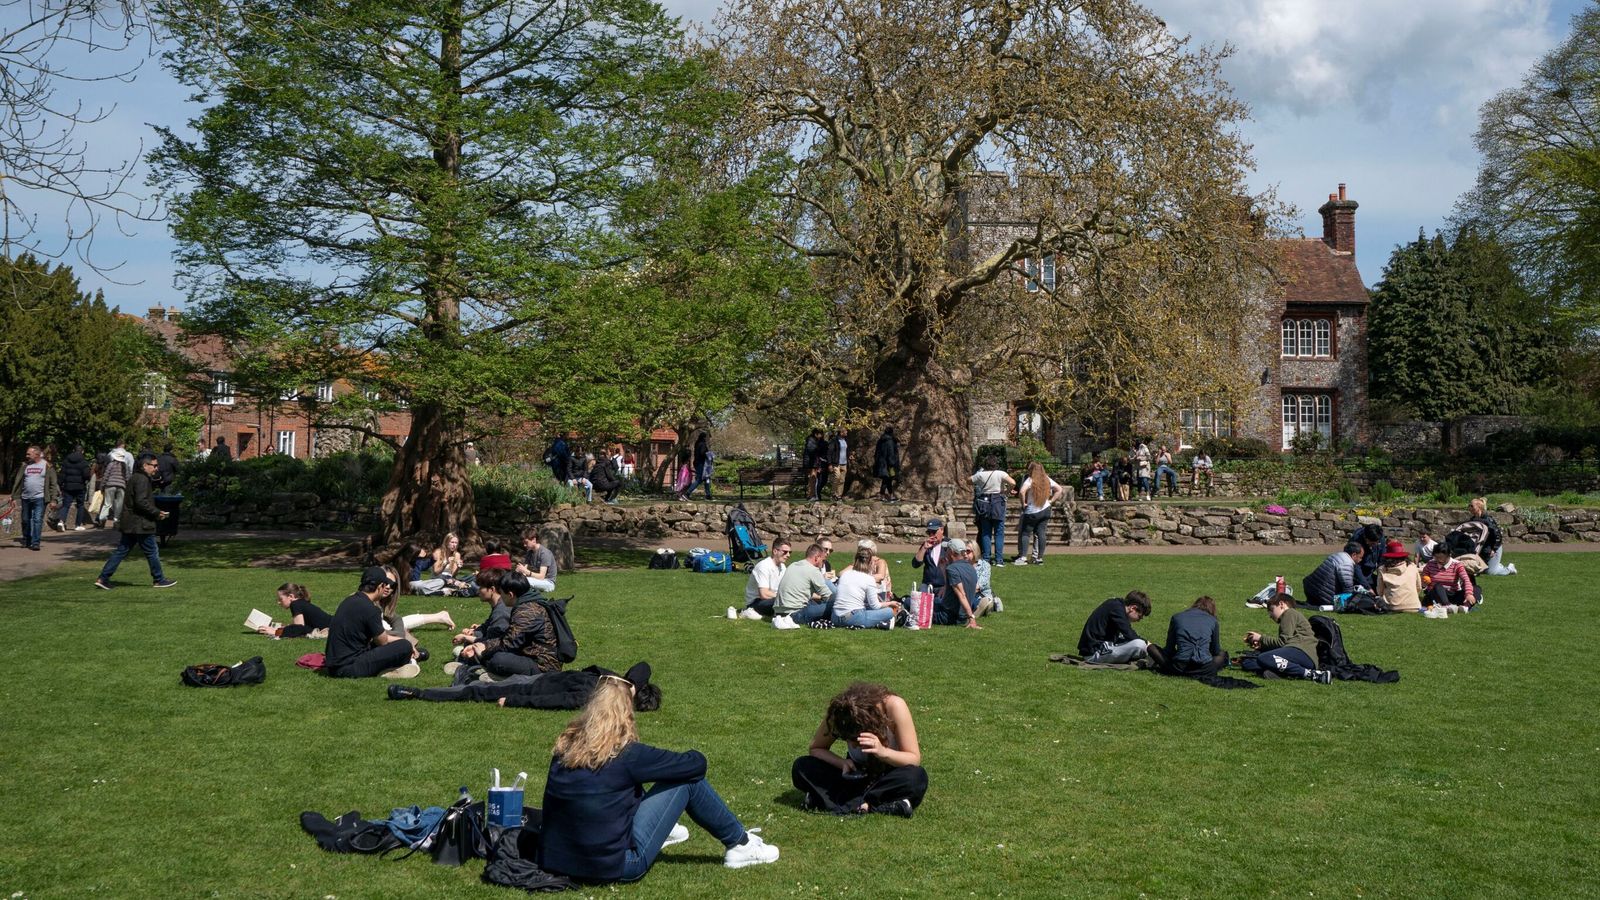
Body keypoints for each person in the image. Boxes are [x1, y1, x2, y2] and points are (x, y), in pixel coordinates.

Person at [538, 675, 780, 883]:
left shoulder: (564, 750)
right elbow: (696, 765)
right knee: (688, 781)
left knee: (613, 788)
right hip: (616, 866)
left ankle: (669, 830)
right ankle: (741, 844)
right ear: (626, 715)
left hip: (555, 860)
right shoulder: (627, 755)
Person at [792, 682, 927, 817]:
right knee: (802, 766)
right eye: (848, 740)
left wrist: (883, 753)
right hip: (855, 776)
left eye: (857, 739)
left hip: (888, 776)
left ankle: (832, 801)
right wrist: (842, 763)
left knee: (916, 777)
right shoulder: (839, 713)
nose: (855, 745)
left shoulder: (894, 706)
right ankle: (877, 805)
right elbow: (816, 748)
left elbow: (913, 759)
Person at [388, 660, 662, 710]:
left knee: (475, 692)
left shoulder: (592, 697)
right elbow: (643, 666)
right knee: (483, 684)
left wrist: (514, 701)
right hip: (539, 677)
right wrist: (630, 686)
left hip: (528, 690)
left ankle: (417, 693)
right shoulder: (613, 682)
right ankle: (469, 673)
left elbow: (550, 702)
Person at [92, 453, 177, 589]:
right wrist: (156, 513)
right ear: (145, 465)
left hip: (131, 523)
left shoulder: (136, 478)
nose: (156, 468)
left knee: (121, 551)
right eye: (154, 466)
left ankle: (103, 578)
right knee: (151, 551)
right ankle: (159, 579)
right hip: (140, 523)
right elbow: (141, 502)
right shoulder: (142, 479)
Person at [460, 572, 563, 676]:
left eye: (501, 593)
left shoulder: (526, 612)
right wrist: (484, 645)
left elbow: (509, 643)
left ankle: (481, 665)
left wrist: (484, 649)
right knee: (494, 654)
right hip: (529, 654)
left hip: (543, 666)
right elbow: (510, 638)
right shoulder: (529, 603)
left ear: (510, 595)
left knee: (498, 660)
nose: (500, 597)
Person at [323, 566, 419, 678]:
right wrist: (405, 642)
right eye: (385, 585)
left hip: (333, 666)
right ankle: (393, 669)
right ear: (380, 587)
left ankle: (404, 661)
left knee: (414, 650)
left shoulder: (349, 600)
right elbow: (382, 641)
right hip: (349, 667)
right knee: (404, 646)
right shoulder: (371, 609)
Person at [1241, 592, 1331, 683]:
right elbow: (1283, 644)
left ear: (1281, 604)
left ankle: (1311, 674)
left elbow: (1282, 642)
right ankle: (1284, 673)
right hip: (1299, 655)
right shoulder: (1289, 616)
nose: (1270, 615)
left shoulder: (1289, 613)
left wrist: (1261, 638)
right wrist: (1261, 646)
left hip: (1303, 653)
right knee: (1248, 663)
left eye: (1271, 610)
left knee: (1263, 658)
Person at [1145, 596, 1228, 677]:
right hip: (1204, 669)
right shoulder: (1213, 621)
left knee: (1151, 647)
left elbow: (1169, 649)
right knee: (1222, 654)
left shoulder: (1177, 617)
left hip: (1178, 668)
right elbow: (1216, 651)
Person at [452, 567, 515, 655]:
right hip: (497, 645)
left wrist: (465, 638)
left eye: (481, 587)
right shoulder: (498, 605)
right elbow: (488, 625)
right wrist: (474, 632)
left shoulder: (501, 611)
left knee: (468, 650)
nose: (478, 590)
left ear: (492, 590)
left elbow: (491, 642)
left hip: (502, 652)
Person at [831, 547, 898, 629]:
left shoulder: (845, 574)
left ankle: (877, 622)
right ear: (870, 563)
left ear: (855, 560)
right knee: (889, 611)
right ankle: (882, 623)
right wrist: (890, 603)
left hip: (834, 617)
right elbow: (875, 606)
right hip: (852, 618)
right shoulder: (869, 579)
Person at [1014, 461, 1065, 566]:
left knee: (1025, 533)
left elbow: (1022, 492)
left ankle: (1023, 557)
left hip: (1032, 510)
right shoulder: (1047, 479)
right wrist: (1051, 501)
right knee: (1041, 533)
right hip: (1045, 510)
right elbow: (1059, 489)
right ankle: (1039, 558)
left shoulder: (1030, 480)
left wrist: (1023, 503)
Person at [772, 542, 833, 629]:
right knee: (833, 606)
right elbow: (828, 596)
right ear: (817, 558)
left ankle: (782, 619)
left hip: (778, 611)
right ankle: (789, 619)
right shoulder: (813, 570)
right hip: (796, 613)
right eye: (823, 560)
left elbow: (800, 591)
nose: (823, 563)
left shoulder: (793, 565)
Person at [969, 455, 1016, 568]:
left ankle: (986, 558)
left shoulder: (981, 474)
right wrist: (1006, 491)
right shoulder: (1001, 473)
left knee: (986, 532)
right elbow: (1013, 482)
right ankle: (999, 559)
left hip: (984, 502)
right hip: (997, 502)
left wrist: (979, 483)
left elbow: (968, 480)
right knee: (999, 532)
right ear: (996, 464)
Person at [1077, 591, 1149, 663]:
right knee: (1140, 645)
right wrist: (1148, 644)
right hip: (1094, 654)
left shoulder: (1116, 605)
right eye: (1139, 616)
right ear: (1133, 608)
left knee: (1133, 642)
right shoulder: (1116, 609)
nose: (1139, 620)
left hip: (1098, 648)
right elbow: (1129, 634)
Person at [10, 445, 59, 551]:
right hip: (25, 497)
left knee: (37, 520)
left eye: (29, 454)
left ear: (36, 454)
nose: (26, 455)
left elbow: (53, 484)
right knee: (25, 520)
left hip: (40, 498)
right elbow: (18, 482)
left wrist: (53, 499)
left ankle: (35, 542)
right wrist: (13, 497)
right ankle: (27, 540)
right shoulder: (25, 466)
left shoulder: (47, 466)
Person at [932, 538, 981, 628]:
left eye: (946, 550)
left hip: (949, 616)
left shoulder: (952, 569)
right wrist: (943, 568)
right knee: (934, 600)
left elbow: (962, 594)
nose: (945, 552)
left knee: (911, 602)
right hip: (961, 615)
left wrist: (971, 618)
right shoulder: (971, 568)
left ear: (951, 552)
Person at [736, 537, 790, 620]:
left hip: (774, 598)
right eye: (785, 552)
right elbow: (764, 594)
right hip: (756, 602)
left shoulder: (783, 567)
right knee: (784, 603)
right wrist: (783, 597)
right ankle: (749, 611)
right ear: (775, 551)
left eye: (790, 552)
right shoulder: (764, 566)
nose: (788, 555)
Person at [257, 583, 334, 638]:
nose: (278, 602)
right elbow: (303, 627)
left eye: (281, 599)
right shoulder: (300, 603)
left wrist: (276, 632)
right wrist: (286, 628)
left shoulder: (295, 604)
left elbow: (299, 628)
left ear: (290, 596)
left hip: (335, 627)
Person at [1420, 543, 1476, 618]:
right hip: (1435, 594)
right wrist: (1424, 583)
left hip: (1452, 594)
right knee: (1438, 586)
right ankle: (1448, 606)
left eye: (1442, 557)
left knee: (1476, 589)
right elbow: (1423, 579)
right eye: (1437, 557)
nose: (1439, 560)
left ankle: (1465, 607)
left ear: (1449, 555)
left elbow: (1466, 580)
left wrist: (1469, 594)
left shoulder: (1457, 565)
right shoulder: (1430, 564)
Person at [1465, 496, 1516, 575]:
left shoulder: (1488, 520)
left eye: (1472, 506)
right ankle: (1496, 565)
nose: (1469, 507)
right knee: (1481, 570)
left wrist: (1494, 549)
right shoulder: (1472, 520)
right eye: (1469, 505)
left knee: (1491, 572)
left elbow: (1498, 537)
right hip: (1482, 549)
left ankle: (1509, 569)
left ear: (1479, 507)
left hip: (1494, 548)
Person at [1301, 542, 1363, 607]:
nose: (1361, 560)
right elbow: (1347, 587)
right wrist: (1347, 604)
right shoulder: (1346, 563)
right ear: (1354, 555)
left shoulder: (1338, 555)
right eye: (1360, 557)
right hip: (1322, 595)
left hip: (1310, 588)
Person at [1373, 539, 1423, 613]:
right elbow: (1418, 586)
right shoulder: (1412, 566)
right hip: (1413, 605)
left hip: (1392, 606)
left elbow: (1380, 591)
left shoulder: (1382, 569)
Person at [97, 439, 134, 527]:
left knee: (107, 503)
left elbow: (106, 475)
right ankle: (116, 520)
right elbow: (127, 477)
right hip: (121, 486)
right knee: (119, 504)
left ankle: (102, 518)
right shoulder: (124, 466)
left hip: (110, 485)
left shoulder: (111, 465)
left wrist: (102, 486)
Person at [57, 446, 92, 531]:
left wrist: (60, 484)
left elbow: (62, 474)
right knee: (80, 505)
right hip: (80, 486)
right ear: (82, 451)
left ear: (73, 450)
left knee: (66, 505)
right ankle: (77, 525)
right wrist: (86, 480)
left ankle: (61, 522)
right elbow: (86, 475)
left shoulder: (66, 461)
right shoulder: (84, 462)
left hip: (68, 486)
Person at [910, 518, 947, 595]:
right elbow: (915, 564)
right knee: (920, 603)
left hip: (944, 585)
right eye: (929, 532)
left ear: (942, 530)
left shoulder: (949, 545)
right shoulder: (926, 545)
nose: (931, 535)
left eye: (934, 532)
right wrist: (924, 548)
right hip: (927, 585)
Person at [517, 527, 558, 594]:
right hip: (536, 580)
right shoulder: (529, 552)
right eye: (523, 543)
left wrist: (527, 572)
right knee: (517, 579)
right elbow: (524, 570)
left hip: (548, 582)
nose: (524, 545)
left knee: (525, 581)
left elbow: (541, 576)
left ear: (534, 540)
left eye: (526, 542)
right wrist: (519, 571)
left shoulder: (544, 553)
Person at [857, 538, 893, 604]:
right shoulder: (861, 562)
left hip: (882, 595)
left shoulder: (880, 562)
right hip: (867, 593)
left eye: (862, 549)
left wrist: (858, 578)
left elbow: (880, 576)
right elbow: (840, 573)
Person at [1349, 523, 1385, 588]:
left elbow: (1382, 559)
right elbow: (1356, 566)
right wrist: (1367, 587)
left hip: (1370, 572)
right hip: (1356, 574)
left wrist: (1382, 579)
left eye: (1377, 543)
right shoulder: (1355, 541)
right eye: (1372, 543)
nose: (1375, 545)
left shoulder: (1379, 536)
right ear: (1366, 538)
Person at [684, 433, 714, 501]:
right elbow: (702, 453)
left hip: (699, 463)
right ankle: (687, 493)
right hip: (701, 463)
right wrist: (709, 455)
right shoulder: (702, 444)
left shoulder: (697, 443)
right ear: (704, 438)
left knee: (706, 478)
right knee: (700, 479)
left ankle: (708, 495)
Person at [873, 427, 900, 501]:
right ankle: (882, 495)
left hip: (881, 462)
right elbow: (891, 453)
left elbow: (876, 452)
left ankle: (890, 495)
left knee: (888, 479)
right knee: (887, 479)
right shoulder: (890, 441)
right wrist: (893, 463)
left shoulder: (880, 440)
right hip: (888, 464)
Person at [802, 427, 827, 501]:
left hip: (814, 462)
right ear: (816, 434)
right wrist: (818, 449)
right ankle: (811, 495)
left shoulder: (815, 440)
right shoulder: (811, 440)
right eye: (820, 434)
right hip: (811, 462)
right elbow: (811, 450)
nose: (821, 436)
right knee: (812, 478)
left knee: (814, 479)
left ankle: (813, 495)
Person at [827, 430, 848, 500]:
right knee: (837, 477)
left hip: (844, 463)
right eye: (845, 431)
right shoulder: (834, 441)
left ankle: (839, 495)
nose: (847, 432)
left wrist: (850, 455)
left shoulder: (845, 440)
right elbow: (829, 452)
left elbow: (846, 450)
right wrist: (829, 464)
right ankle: (833, 494)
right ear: (841, 432)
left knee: (842, 480)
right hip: (836, 463)